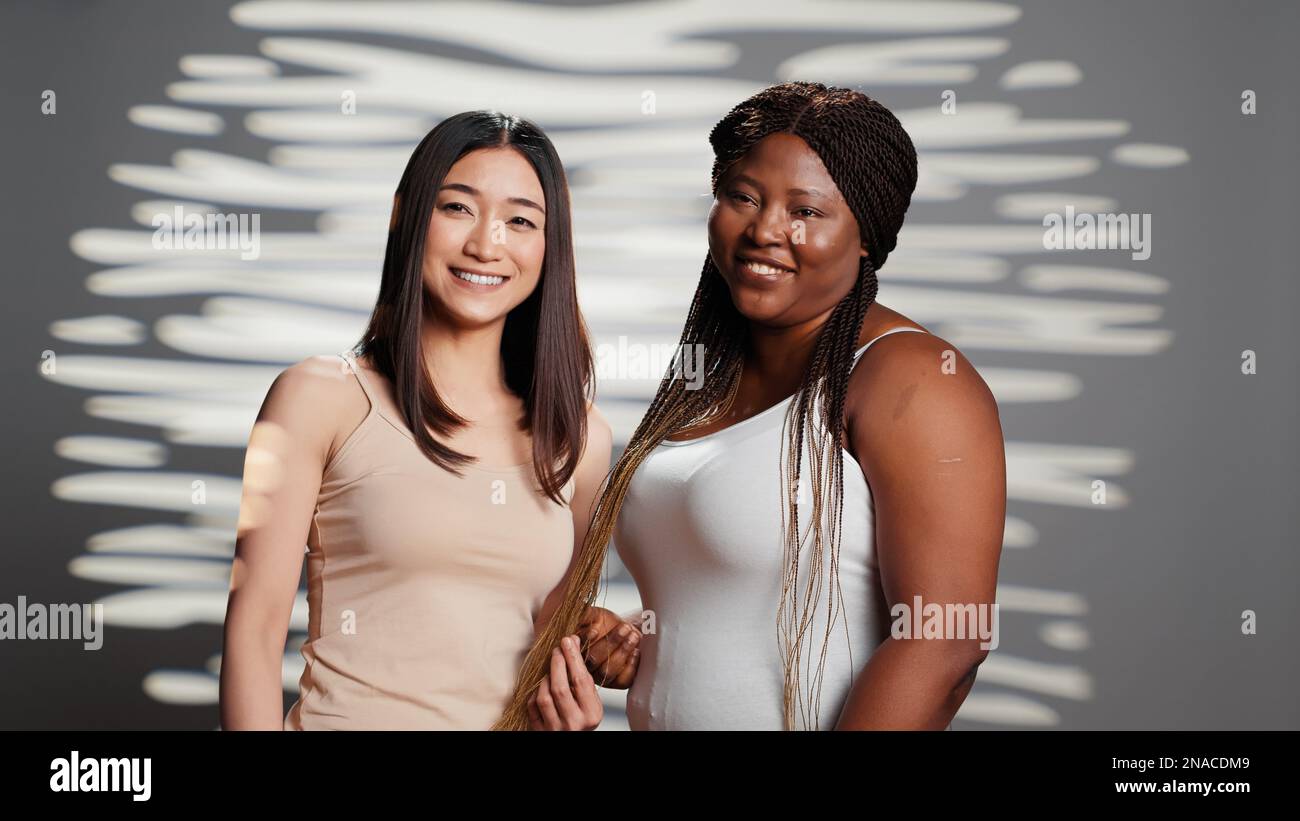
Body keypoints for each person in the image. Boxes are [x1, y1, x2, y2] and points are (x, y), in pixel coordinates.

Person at [497, 82, 1006, 730]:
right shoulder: (711, 378)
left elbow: (947, 642)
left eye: (807, 211)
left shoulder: (912, 380)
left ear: (867, 237)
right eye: (743, 196)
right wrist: (644, 645)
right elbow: (732, 601)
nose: (766, 229)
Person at [219, 111, 610, 731]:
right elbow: (254, 628)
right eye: (458, 208)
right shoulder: (318, 398)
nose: (487, 243)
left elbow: (549, 654)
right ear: (405, 215)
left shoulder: (580, 442)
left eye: (520, 221)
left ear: (548, 246)